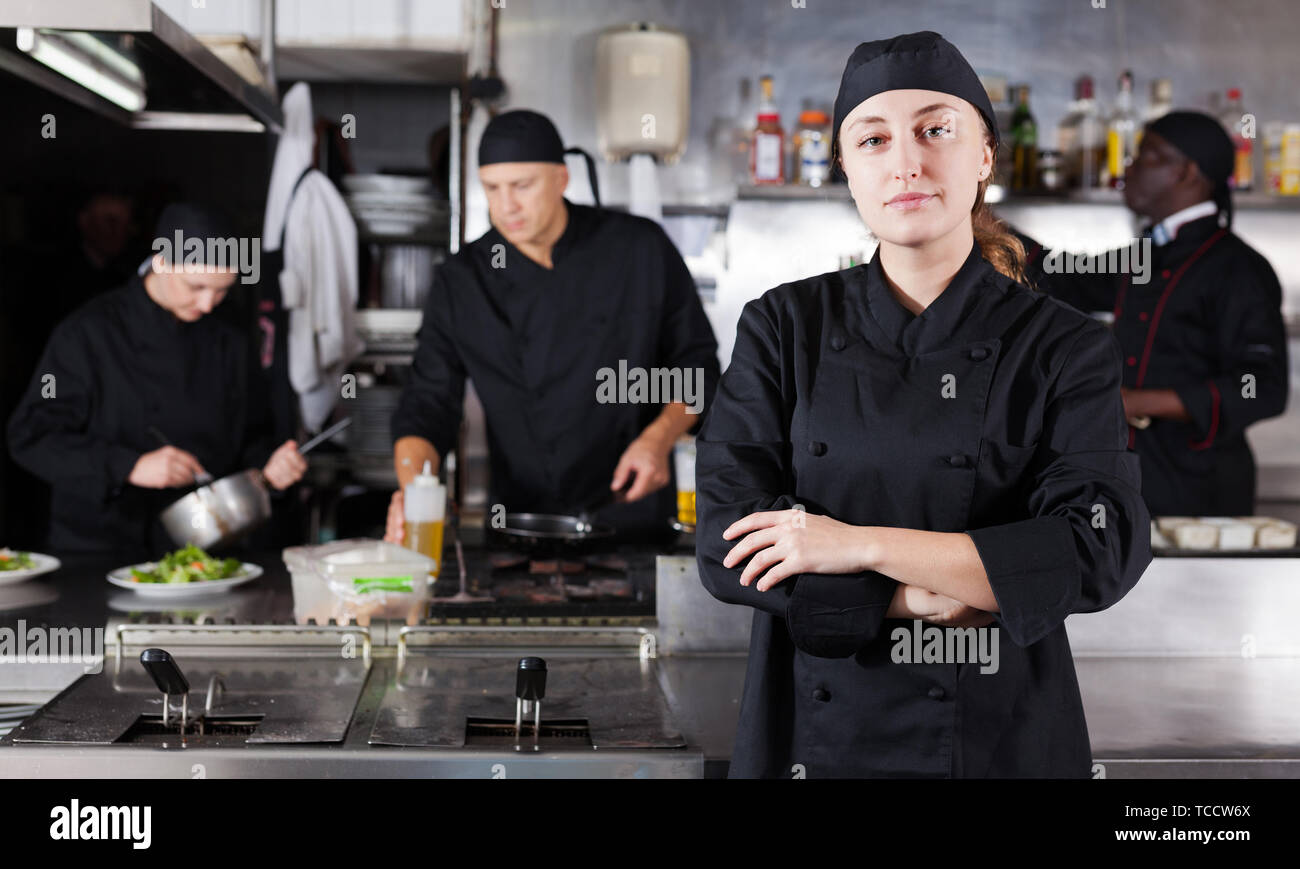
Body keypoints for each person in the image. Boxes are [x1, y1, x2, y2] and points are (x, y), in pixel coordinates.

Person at [695, 31, 1151, 778]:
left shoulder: (1063, 347)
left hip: (996, 738)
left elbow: (1100, 547)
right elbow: (724, 537)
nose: (906, 160)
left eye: (936, 129)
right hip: (814, 740)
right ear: (846, 168)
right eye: (873, 139)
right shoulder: (783, 327)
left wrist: (857, 544)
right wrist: (909, 595)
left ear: (983, 156)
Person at [386, 110, 719, 540]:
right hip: (520, 526)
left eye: (522, 186)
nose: (507, 206)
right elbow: (427, 403)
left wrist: (658, 439)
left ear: (562, 179)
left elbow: (699, 370)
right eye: (492, 189)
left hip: (632, 517)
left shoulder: (639, 249)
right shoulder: (462, 279)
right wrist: (414, 490)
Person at [6, 203, 308, 556]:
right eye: (196, 287)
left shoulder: (231, 337)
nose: (209, 304)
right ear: (161, 262)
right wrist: (129, 466)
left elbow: (254, 433)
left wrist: (271, 465)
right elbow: (32, 437)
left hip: (206, 547)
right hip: (97, 551)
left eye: (222, 290)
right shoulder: (86, 335)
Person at [1030, 112, 1288, 516]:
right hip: (1134, 475)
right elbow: (1060, 274)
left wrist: (1137, 401)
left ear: (1186, 172)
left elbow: (1261, 387)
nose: (1128, 168)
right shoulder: (1145, 256)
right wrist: (977, 217)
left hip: (1201, 485)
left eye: (1146, 157)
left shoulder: (1239, 268)